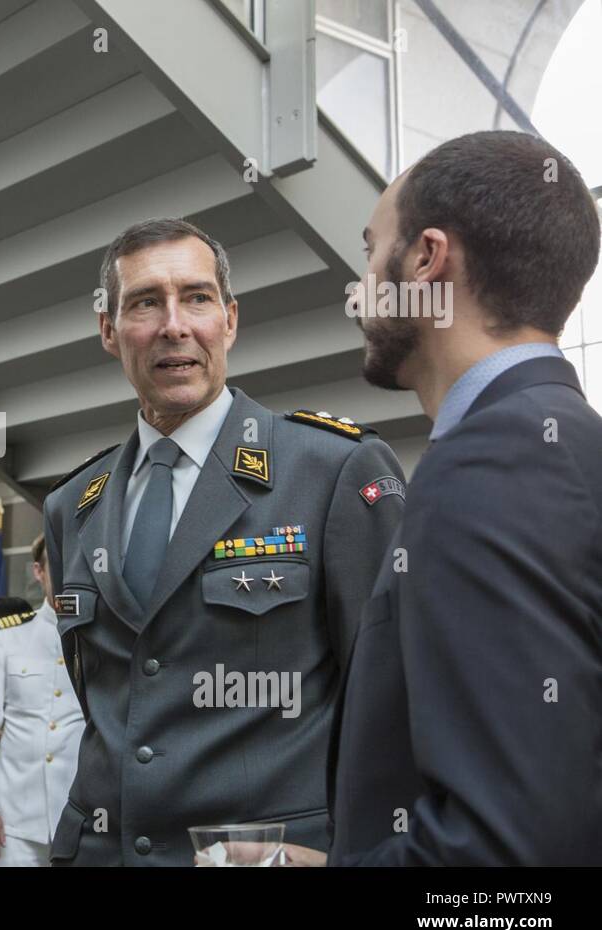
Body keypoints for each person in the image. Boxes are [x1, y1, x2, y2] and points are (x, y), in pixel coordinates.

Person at [44, 218, 405, 866]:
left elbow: (395, 704)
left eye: (197, 298)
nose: (173, 325)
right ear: (109, 331)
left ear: (230, 321)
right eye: (145, 303)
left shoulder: (332, 472)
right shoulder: (71, 505)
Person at [321, 130, 602, 865]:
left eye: (371, 250)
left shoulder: (493, 462)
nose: (359, 287)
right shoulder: (563, 442)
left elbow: (505, 856)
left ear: (426, 259)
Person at [0, 536, 83, 866]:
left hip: (81, 815)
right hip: (15, 818)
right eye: (55, 565)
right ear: (39, 571)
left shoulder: (97, 636)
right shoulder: (8, 636)